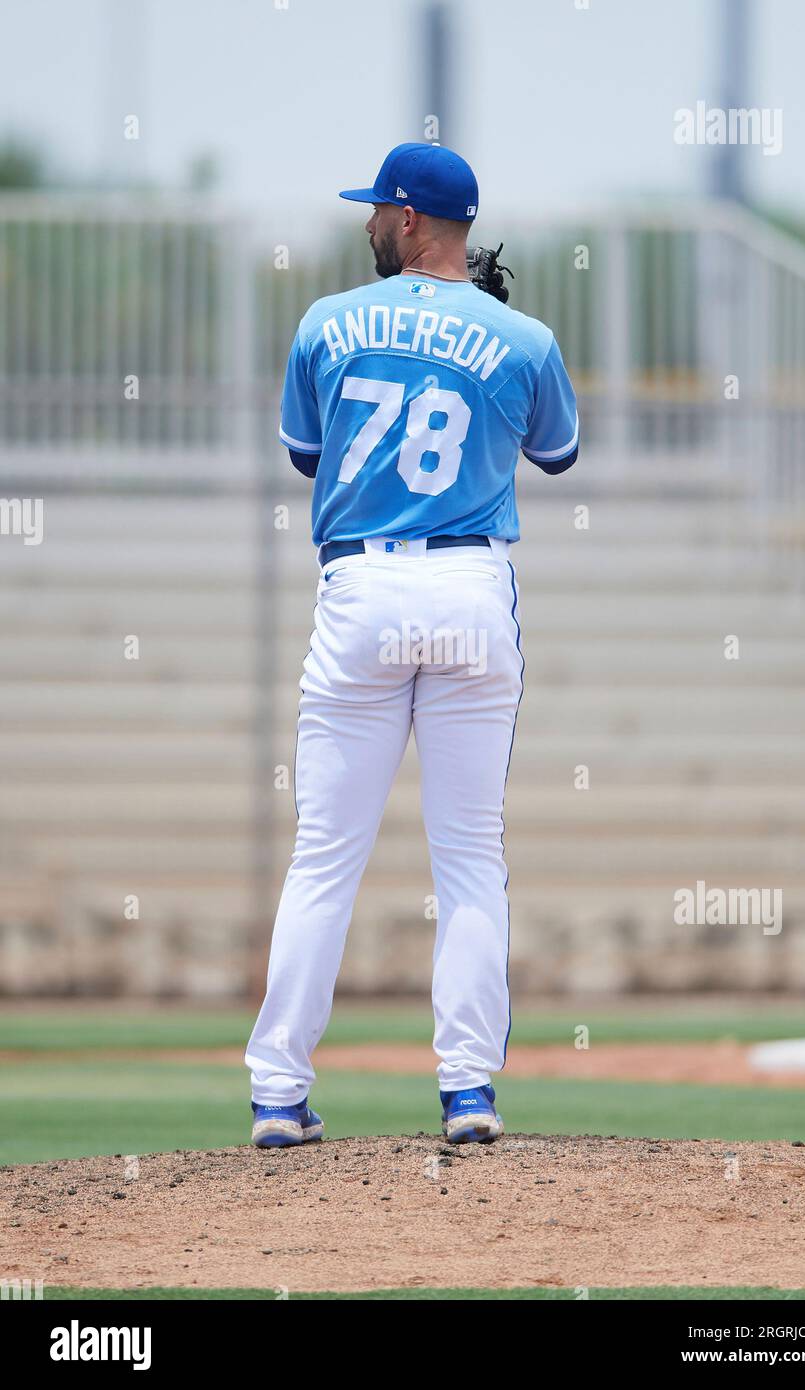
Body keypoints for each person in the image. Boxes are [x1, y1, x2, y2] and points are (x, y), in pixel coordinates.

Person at [245, 142, 578, 1147]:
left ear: (408, 219)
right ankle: (467, 1094)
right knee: (469, 855)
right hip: (470, 582)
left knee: (322, 860)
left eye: (377, 209)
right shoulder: (522, 335)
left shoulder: (324, 321)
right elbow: (557, 453)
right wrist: (482, 337)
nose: (367, 222)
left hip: (363, 585)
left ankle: (276, 1094)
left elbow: (307, 454)